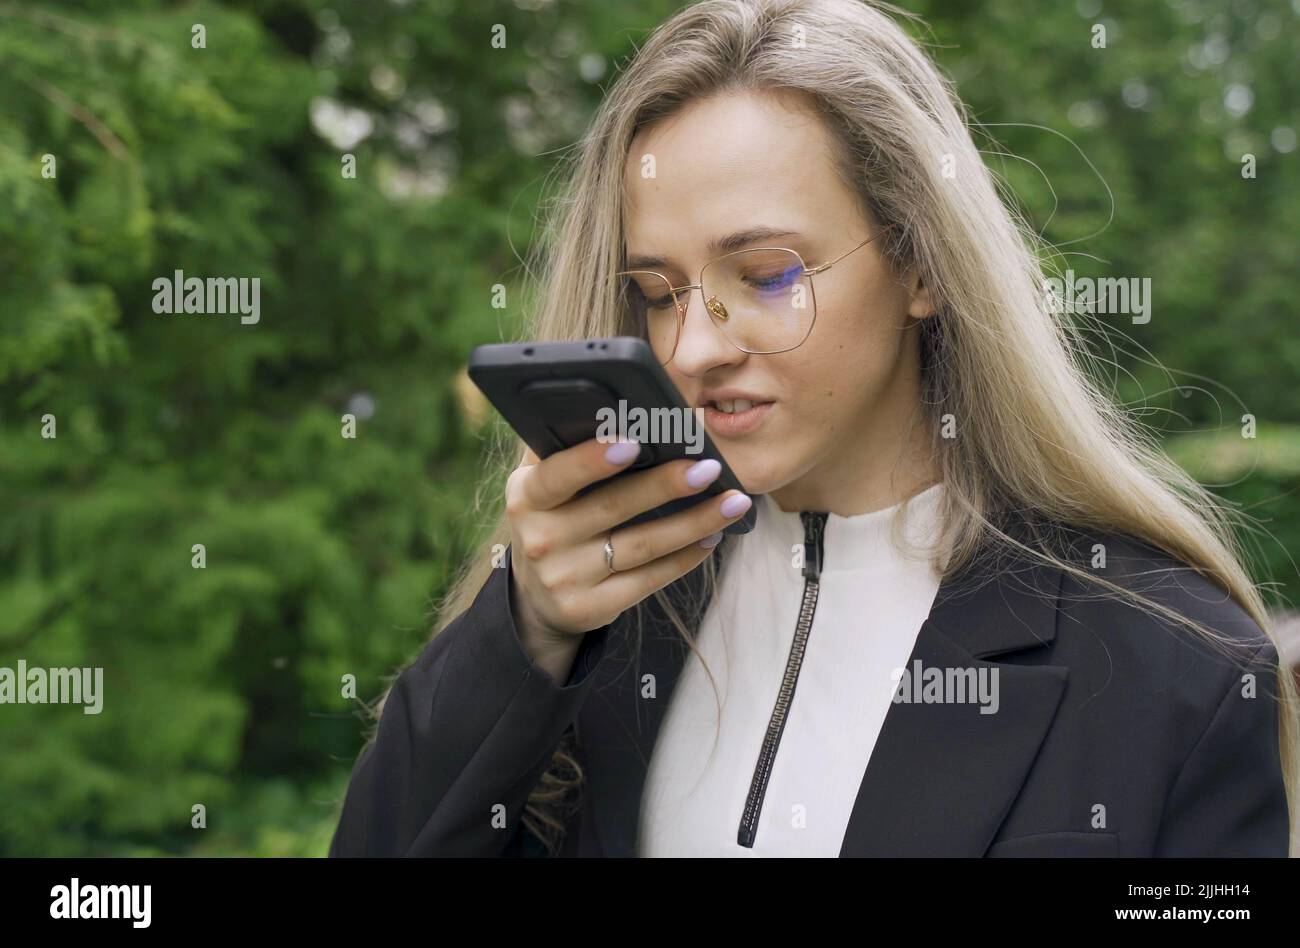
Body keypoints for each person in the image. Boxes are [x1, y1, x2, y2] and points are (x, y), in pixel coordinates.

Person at [329, 0, 1295, 857]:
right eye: (658, 292)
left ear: (922, 268)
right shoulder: (608, 618)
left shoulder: (1175, 667)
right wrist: (525, 631)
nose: (694, 349)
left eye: (767, 274)